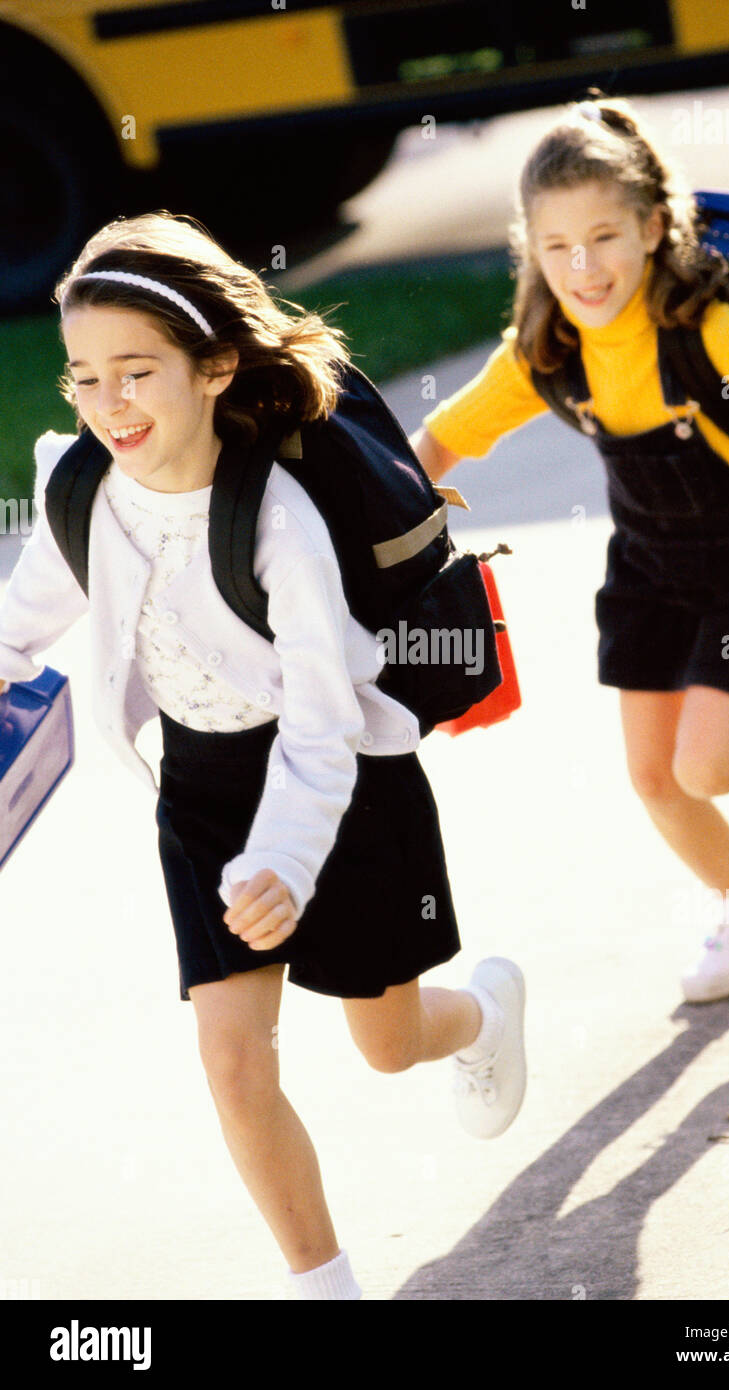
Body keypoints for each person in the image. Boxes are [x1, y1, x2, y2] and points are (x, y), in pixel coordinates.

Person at [0, 213, 527, 1300]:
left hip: (343, 792)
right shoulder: (78, 492)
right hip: (200, 792)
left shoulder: (279, 520)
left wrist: (287, 861)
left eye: (137, 372)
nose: (109, 405)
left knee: (388, 1043)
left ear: (215, 366)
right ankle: (322, 1286)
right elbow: (17, 627)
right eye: (84, 378)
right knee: (236, 1062)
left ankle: (485, 1012)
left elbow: (325, 722)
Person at [411, 96, 729, 1005]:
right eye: (556, 246)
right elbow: (437, 444)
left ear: (655, 227)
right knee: (656, 780)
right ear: (529, 250)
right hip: (649, 569)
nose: (583, 267)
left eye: (606, 236)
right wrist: (377, 526)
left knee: (706, 767)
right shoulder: (545, 349)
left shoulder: (710, 331)